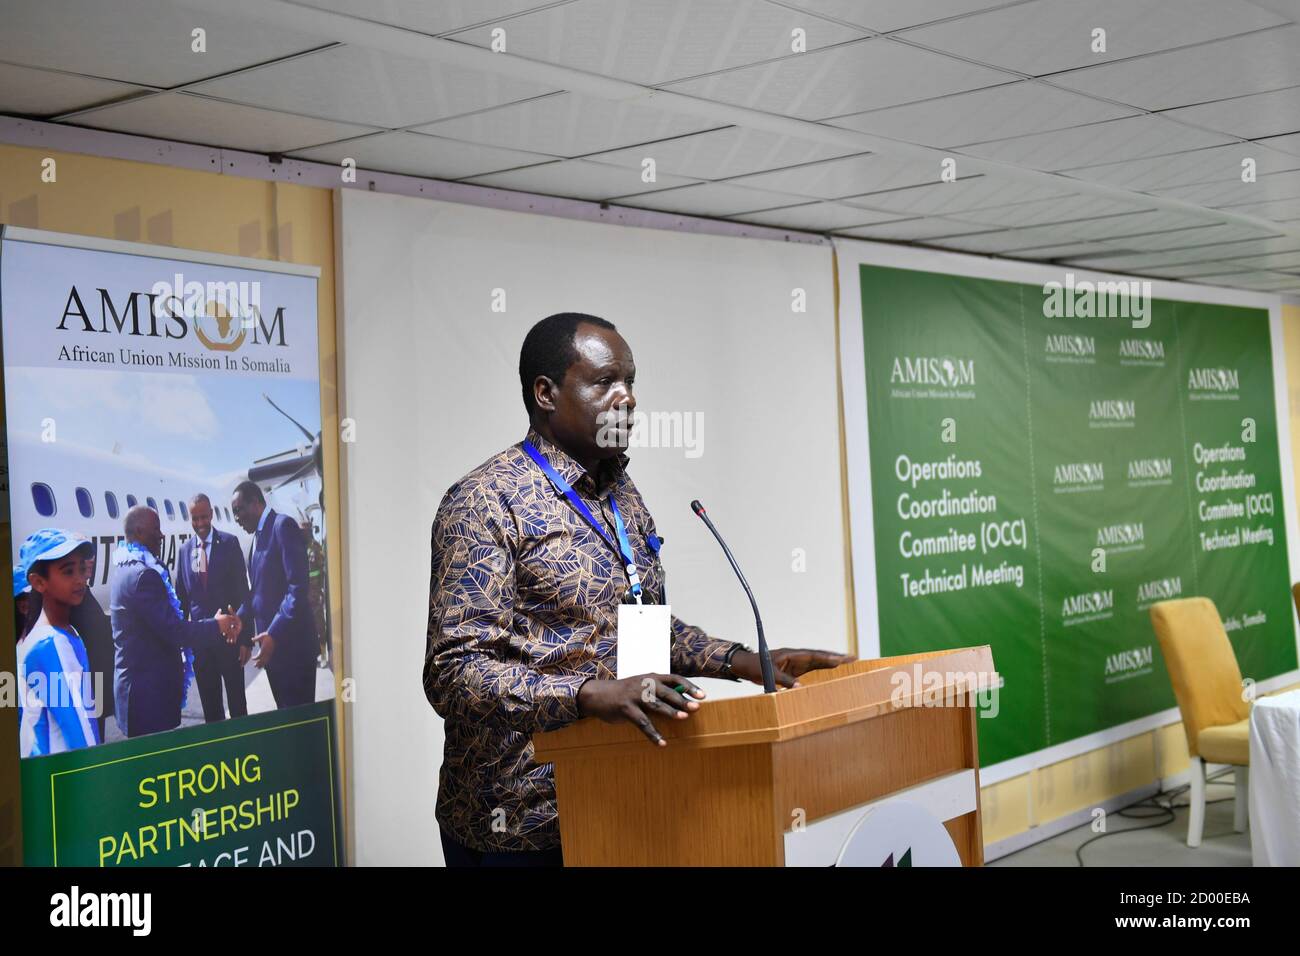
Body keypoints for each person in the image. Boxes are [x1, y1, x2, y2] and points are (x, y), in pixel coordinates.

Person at [424, 312, 853, 866]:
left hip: (628, 791)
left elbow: (644, 627)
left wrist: (745, 661)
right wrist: (584, 696)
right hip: (519, 822)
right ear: (546, 393)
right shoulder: (485, 501)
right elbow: (454, 672)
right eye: (605, 382)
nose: (626, 398)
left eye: (631, 382)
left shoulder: (621, 494)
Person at [109, 506, 241, 738]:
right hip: (147, 700)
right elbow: (174, 630)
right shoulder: (144, 577)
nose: (161, 535)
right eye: (156, 529)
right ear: (139, 531)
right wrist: (217, 624)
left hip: (139, 694)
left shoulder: (125, 569)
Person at [231, 482, 317, 709]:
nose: (237, 518)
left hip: (293, 650)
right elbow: (257, 592)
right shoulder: (255, 541)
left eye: (239, 510)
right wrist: (239, 618)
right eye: (233, 513)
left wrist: (273, 633)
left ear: (257, 503)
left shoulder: (282, 526)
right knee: (287, 720)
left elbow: (297, 588)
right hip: (274, 654)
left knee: (301, 722)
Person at [16, 529, 100, 757]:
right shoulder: (52, 644)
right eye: (68, 571)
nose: (80, 579)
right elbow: (80, 732)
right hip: (63, 776)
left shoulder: (61, 633)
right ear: (38, 582)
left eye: (82, 569)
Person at [176, 493, 251, 722]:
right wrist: (182, 644)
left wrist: (246, 640)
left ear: (212, 514)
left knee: (238, 705)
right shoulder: (185, 551)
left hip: (230, 640)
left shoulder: (229, 544)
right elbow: (181, 600)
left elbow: (244, 594)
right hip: (201, 646)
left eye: (204, 517)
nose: (200, 524)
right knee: (212, 710)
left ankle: (242, 749)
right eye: (194, 518)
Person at [69, 549, 115, 743]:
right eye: (83, 559)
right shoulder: (71, 596)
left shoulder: (83, 592)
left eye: (90, 558)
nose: (90, 562)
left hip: (97, 687)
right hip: (86, 688)